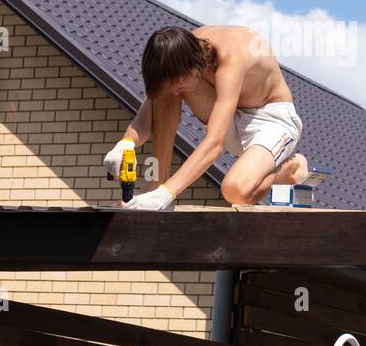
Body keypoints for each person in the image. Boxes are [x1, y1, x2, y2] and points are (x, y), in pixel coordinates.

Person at [104, 25, 307, 209]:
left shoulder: (232, 55)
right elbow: (150, 108)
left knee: (234, 190)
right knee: (165, 90)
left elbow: (215, 142)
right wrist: (126, 143)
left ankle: (284, 173)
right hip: (229, 115)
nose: (176, 91)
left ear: (195, 65)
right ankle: (157, 180)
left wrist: (167, 194)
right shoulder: (179, 53)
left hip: (271, 120)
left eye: (179, 83)